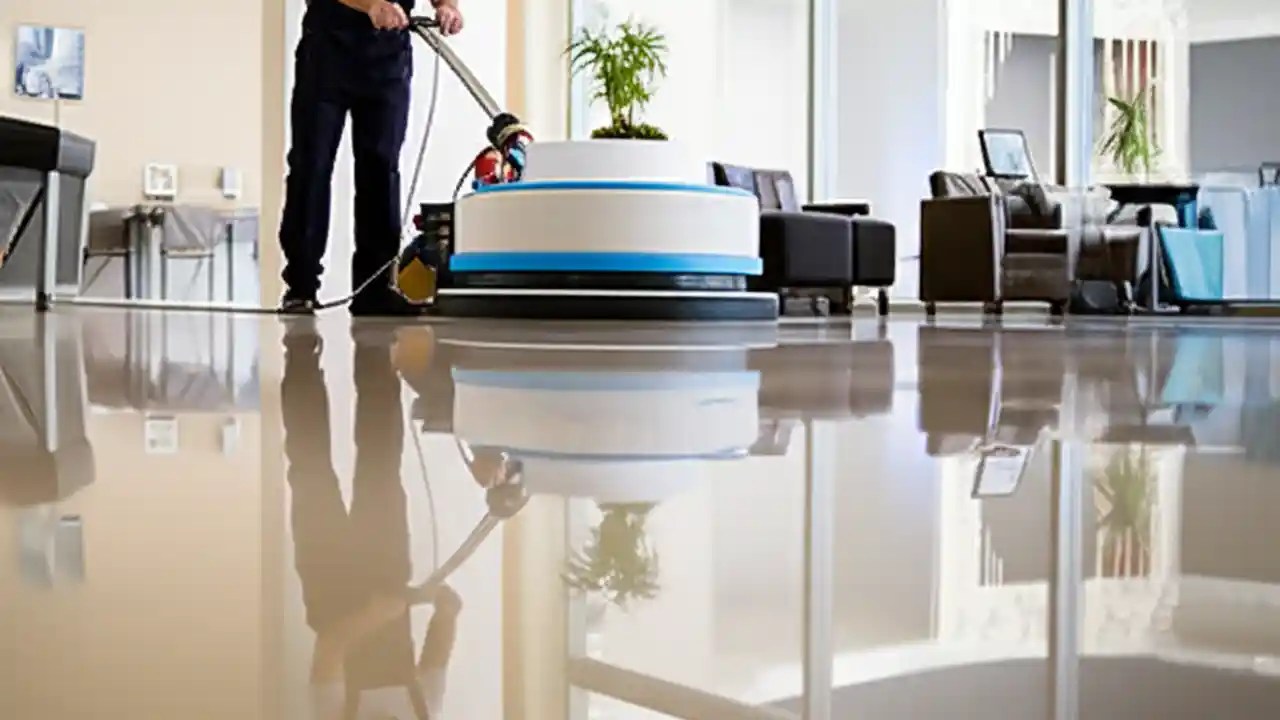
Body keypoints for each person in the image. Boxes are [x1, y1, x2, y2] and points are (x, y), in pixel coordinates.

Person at [278, 0, 464, 316]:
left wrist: (448, 7)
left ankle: (375, 289)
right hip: (328, 50)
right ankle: (301, 287)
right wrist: (370, 5)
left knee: (381, 168)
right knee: (312, 166)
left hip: (388, 55)